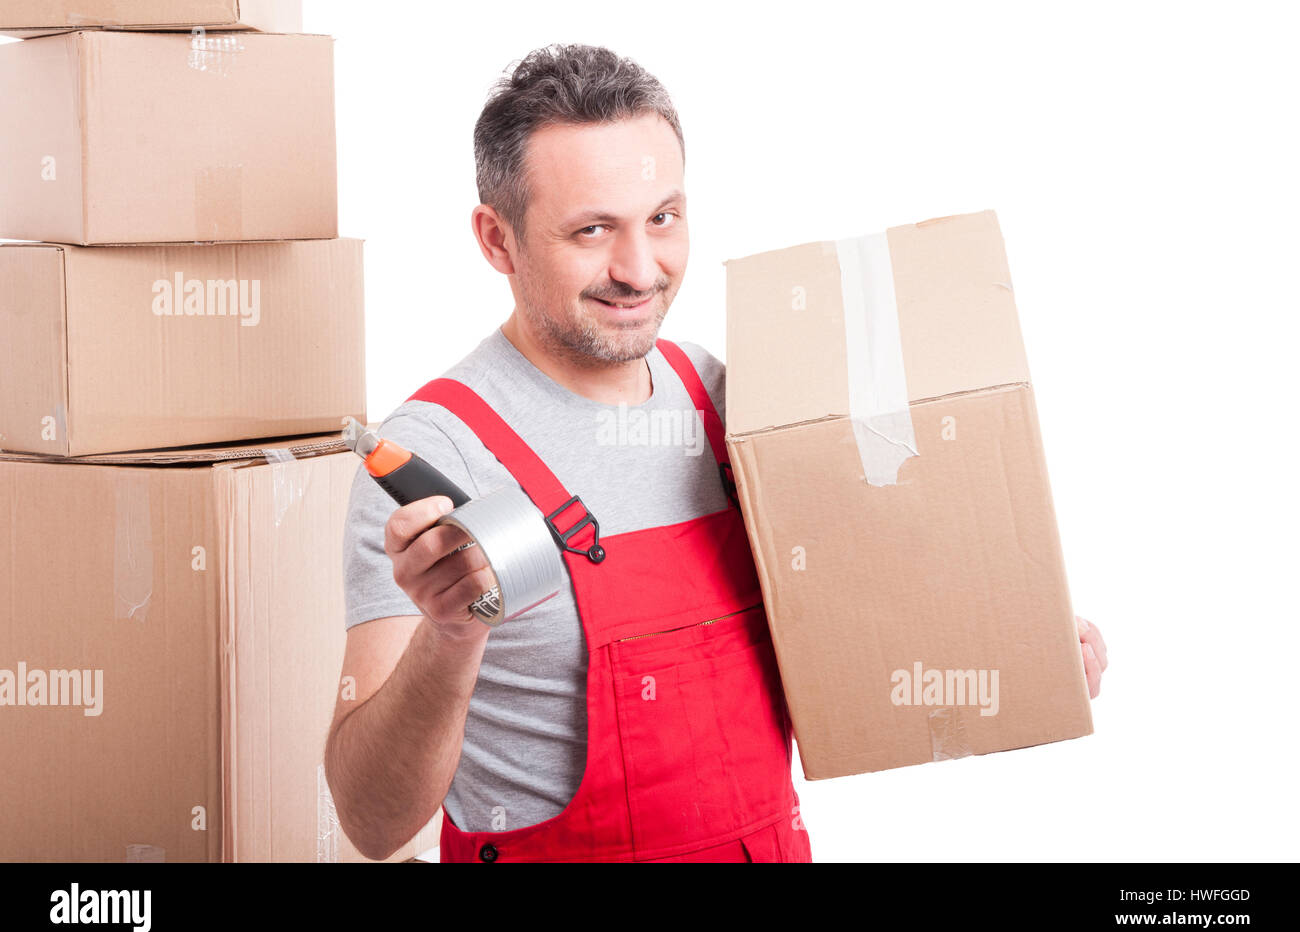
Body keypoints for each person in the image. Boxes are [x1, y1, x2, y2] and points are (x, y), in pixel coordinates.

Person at [324, 43, 1107, 864]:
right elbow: (371, 820)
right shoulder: (439, 455)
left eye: (662, 218)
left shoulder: (728, 400)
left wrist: (1011, 650)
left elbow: (852, 632)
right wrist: (451, 635)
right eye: (592, 230)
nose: (639, 270)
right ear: (497, 239)